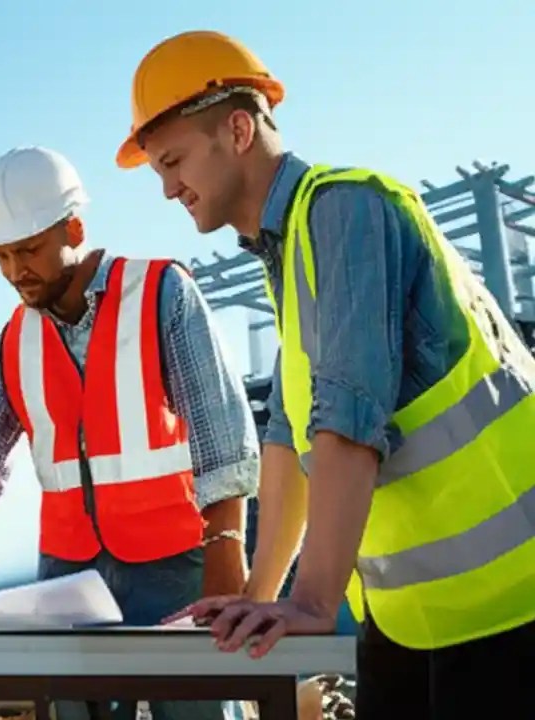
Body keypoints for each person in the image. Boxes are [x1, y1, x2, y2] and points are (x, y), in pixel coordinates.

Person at [115, 29, 535, 719]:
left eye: (173, 161)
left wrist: (310, 601)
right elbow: (287, 441)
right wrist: (262, 594)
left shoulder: (346, 211)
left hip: (511, 611)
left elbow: (347, 416)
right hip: (415, 619)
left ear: (239, 129)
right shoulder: (292, 252)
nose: (166, 189)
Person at [0, 146, 261, 720]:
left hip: (176, 568)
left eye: (29, 250)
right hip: (69, 582)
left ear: (75, 227)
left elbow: (221, 432)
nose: (15, 272)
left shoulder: (161, 294)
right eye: (2, 256)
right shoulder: (15, 341)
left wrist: (226, 554)